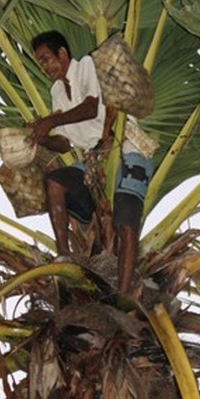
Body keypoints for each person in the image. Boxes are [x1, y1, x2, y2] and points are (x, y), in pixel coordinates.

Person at [28, 30, 154, 295]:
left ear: (62, 53)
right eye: (40, 62)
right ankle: (64, 255)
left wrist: (51, 120)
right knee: (55, 182)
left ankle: (122, 295)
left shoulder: (85, 66)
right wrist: (41, 138)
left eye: (46, 58)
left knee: (126, 222)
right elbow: (65, 143)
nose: (44, 66)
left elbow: (90, 108)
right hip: (94, 160)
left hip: (126, 149)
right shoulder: (56, 91)